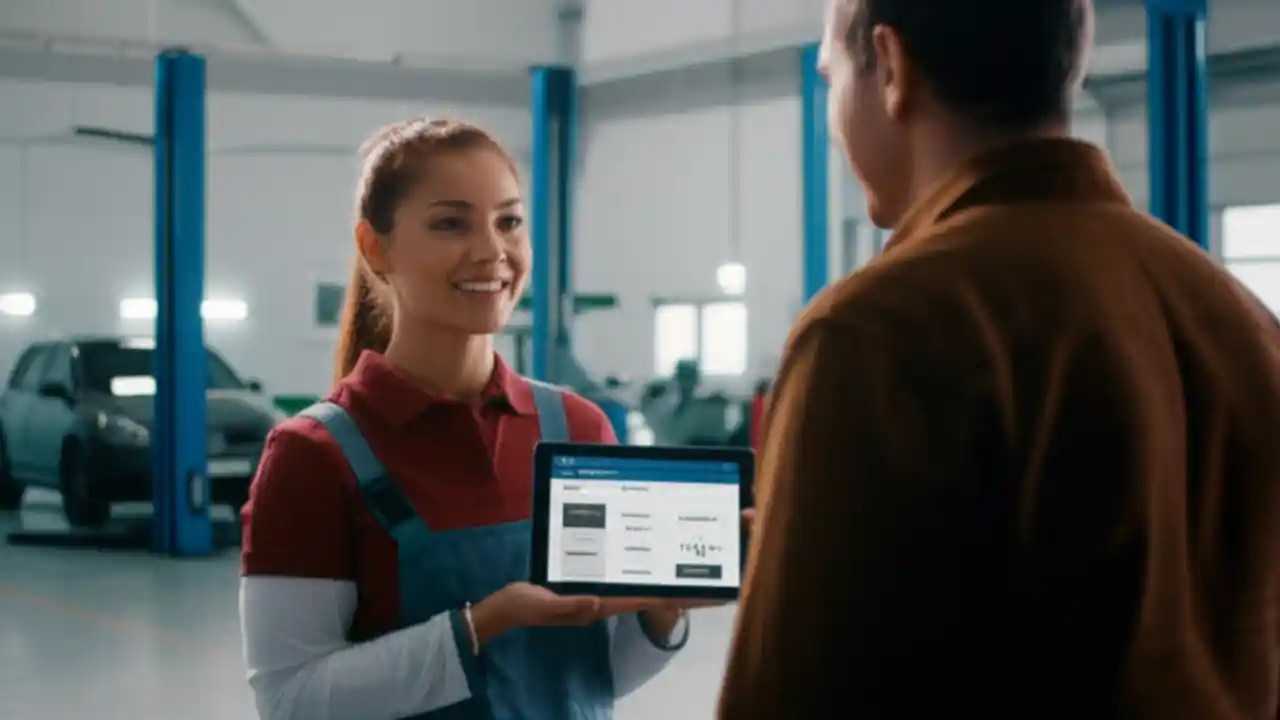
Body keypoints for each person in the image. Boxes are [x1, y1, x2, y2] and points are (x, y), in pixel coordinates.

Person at [719, 1, 1280, 718]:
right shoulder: (1239, 319)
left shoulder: (880, 333)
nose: (833, 122)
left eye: (833, 76)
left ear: (891, 69)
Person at [239, 117, 691, 720]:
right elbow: (289, 700)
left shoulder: (579, 429)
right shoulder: (312, 456)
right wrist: (482, 625)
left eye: (508, 221)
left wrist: (663, 611)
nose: (491, 252)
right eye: (451, 223)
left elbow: (591, 677)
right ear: (377, 247)